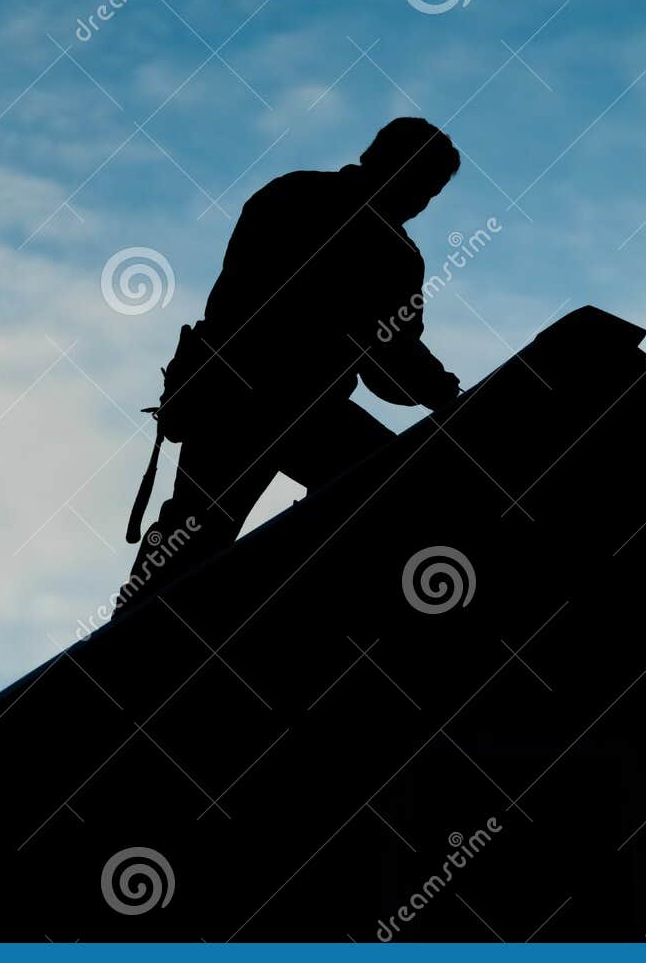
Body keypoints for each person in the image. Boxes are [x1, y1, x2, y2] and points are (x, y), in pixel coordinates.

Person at [115, 117, 463, 612]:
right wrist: (444, 393)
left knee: (194, 527)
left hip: (238, 393)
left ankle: (139, 626)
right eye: (423, 186)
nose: (422, 202)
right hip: (278, 402)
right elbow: (390, 362)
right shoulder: (389, 249)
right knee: (386, 488)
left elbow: (386, 359)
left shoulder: (291, 193)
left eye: (431, 192)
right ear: (389, 164)